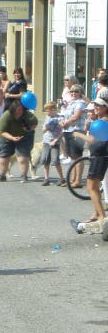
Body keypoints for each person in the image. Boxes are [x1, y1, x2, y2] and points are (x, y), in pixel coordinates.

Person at [71, 97, 108, 233]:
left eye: (99, 105)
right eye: (95, 105)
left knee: (91, 187)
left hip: (100, 157)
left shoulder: (103, 121)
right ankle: (98, 215)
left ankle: (102, 218)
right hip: (100, 156)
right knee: (95, 187)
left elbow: (92, 140)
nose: (96, 107)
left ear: (105, 107)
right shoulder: (101, 121)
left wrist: (78, 134)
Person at [0, 99, 38, 183]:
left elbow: (35, 123)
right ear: (13, 109)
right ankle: (2, 175)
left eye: (21, 110)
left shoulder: (27, 114)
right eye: (18, 110)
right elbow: (0, 131)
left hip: (23, 136)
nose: (20, 112)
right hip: (5, 136)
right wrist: (12, 138)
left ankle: (24, 175)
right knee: (4, 156)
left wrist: (28, 129)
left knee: (22, 157)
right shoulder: (7, 115)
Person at [60, 83, 88, 184]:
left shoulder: (80, 103)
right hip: (68, 130)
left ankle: (78, 180)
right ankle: (72, 179)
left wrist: (66, 122)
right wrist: (62, 121)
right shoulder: (72, 102)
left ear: (81, 93)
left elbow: (76, 117)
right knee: (72, 156)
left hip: (77, 131)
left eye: (76, 91)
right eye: (72, 91)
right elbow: (66, 115)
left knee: (77, 156)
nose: (73, 93)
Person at [38, 101, 65, 187]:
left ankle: (61, 178)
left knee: (55, 160)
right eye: (46, 110)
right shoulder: (47, 117)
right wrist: (46, 128)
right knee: (45, 160)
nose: (47, 112)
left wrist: (55, 140)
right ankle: (46, 179)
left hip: (55, 142)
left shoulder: (60, 118)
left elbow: (62, 132)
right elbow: (43, 130)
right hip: (46, 141)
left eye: (48, 110)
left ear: (53, 110)